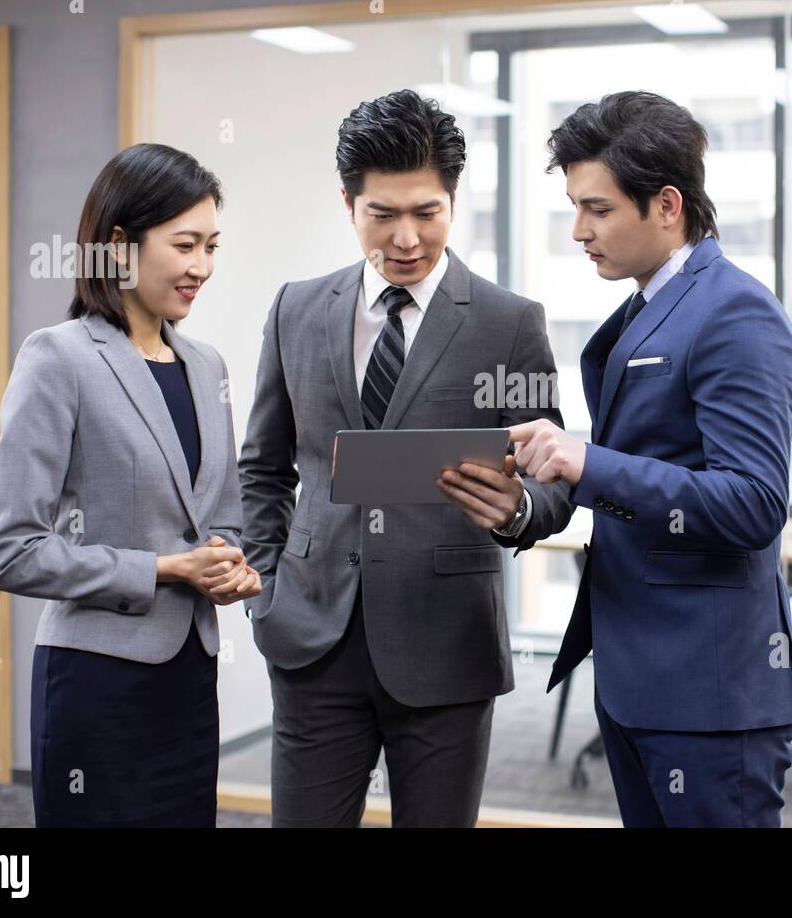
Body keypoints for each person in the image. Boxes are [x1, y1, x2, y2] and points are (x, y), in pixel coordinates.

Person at [238, 90, 574, 827]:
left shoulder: (507, 323)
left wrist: (518, 508)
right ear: (347, 204)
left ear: (454, 199)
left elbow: (553, 476)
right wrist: (268, 585)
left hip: (445, 639)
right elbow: (263, 467)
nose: (406, 238)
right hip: (312, 635)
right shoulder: (296, 308)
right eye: (382, 214)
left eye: (427, 212)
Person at [508, 91, 792, 827]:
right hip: (640, 673)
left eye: (599, 209)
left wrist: (588, 463)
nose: (580, 230)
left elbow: (753, 502)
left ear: (668, 206)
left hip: (707, 690)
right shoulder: (649, 306)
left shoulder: (736, 312)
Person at [0, 143, 261, 827]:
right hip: (97, 680)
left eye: (212, 246)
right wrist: (163, 568)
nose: (202, 267)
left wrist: (232, 564)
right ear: (119, 245)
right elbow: (11, 549)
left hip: (190, 677)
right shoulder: (60, 357)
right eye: (185, 244)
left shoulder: (205, 365)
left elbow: (224, 517)